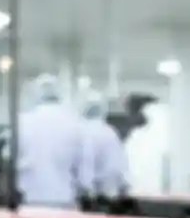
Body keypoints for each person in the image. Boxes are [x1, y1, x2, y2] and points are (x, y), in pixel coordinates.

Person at [17, 75, 84, 206]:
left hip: (30, 199)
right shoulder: (74, 122)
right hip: (65, 199)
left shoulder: (22, 122)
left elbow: (12, 161)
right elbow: (83, 167)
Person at [78, 100, 129, 200]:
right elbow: (120, 164)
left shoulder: (80, 131)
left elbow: (84, 164)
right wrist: (124, 185)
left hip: (86, 192)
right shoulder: (110, 132)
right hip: (108, 190)